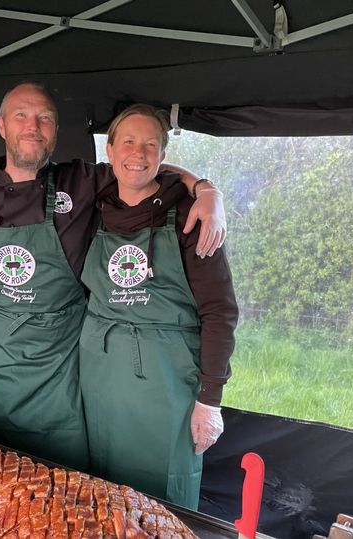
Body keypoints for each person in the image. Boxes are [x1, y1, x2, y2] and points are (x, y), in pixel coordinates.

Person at [0, 82, 226, 471]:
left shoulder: (81, 181)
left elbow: (141, 166)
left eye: (45, 119)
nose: (33, 126)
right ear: (2, 126)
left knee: (66, 485)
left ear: (55, 131)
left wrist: (207, 192)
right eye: (21, 115)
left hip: (64, 371)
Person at [78, 104, 238, 510]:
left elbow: (219, 312)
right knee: (106, 496)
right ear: (109, 152)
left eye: (151, 144)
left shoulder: (190, 217)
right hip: (103, 377)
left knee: (167, 504)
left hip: (168, 380)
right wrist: (207, 185)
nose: (139, 153)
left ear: (163, 157)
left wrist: (210, 398)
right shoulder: (89, 206)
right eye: (128, 142)